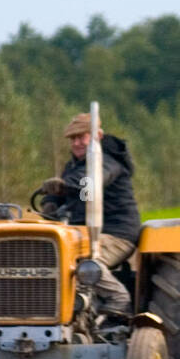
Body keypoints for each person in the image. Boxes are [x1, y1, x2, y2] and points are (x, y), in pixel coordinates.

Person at [40, 113, 140, 315]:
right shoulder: (73, 166)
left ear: (98, 136)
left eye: (81, 137)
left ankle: (118, 298)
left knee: (81, 261)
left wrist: (64, 186)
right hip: (80, 233)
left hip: (116, 232)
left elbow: (89, 184)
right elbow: (71, 194)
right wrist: (50, 202)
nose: (76, 143)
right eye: (73, 139)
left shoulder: (107, 162)